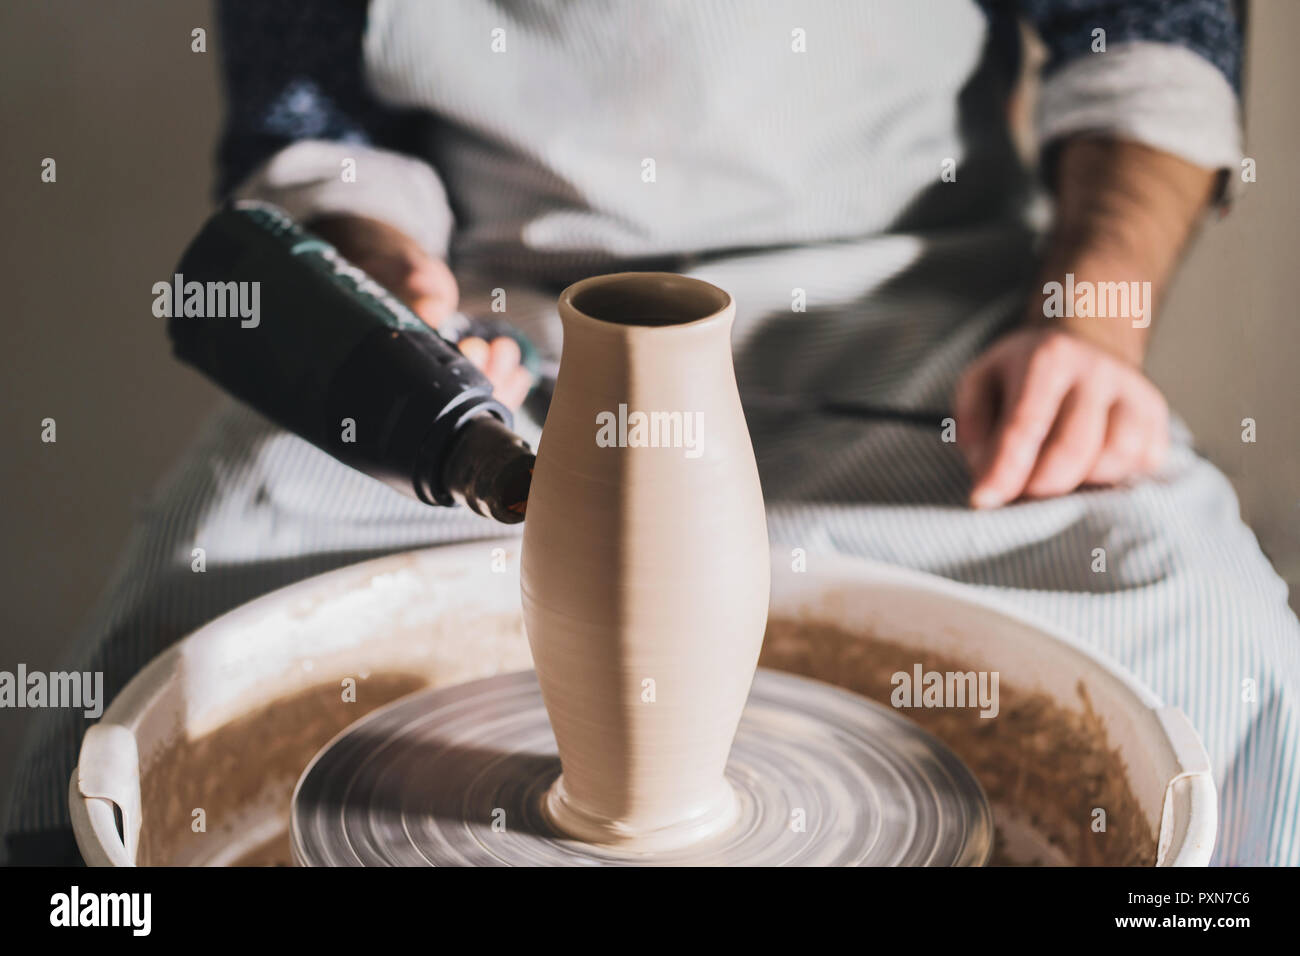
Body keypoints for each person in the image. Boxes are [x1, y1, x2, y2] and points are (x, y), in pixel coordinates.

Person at [7, 0, 1297, 866]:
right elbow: (314, 126)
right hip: (497, 341)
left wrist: (1091, 316)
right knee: (166, 639)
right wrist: (381, 286)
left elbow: (1150, 29)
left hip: (917, 327)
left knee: (1222, 644)